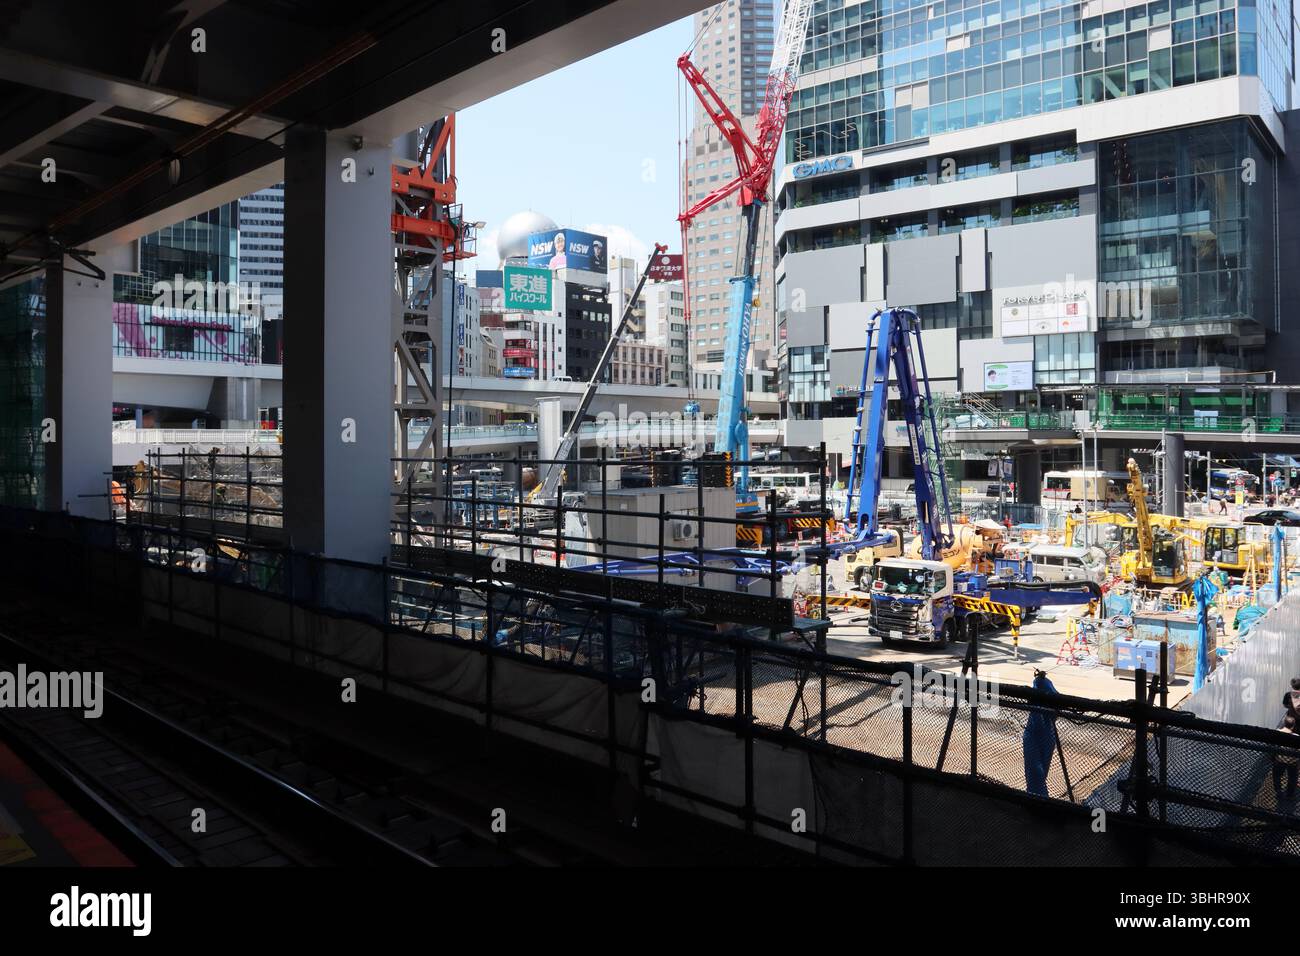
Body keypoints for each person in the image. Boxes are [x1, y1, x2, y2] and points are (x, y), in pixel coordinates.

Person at [1275, 715, 1300, 800]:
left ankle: (1279, 791)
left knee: (1277, 775)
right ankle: (1290, 795)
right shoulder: (1296, 737)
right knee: (1292, 777)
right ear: (1293, 726)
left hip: (1280, 760)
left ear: (1284, 723)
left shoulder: (1277, 732)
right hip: (1292, 761)